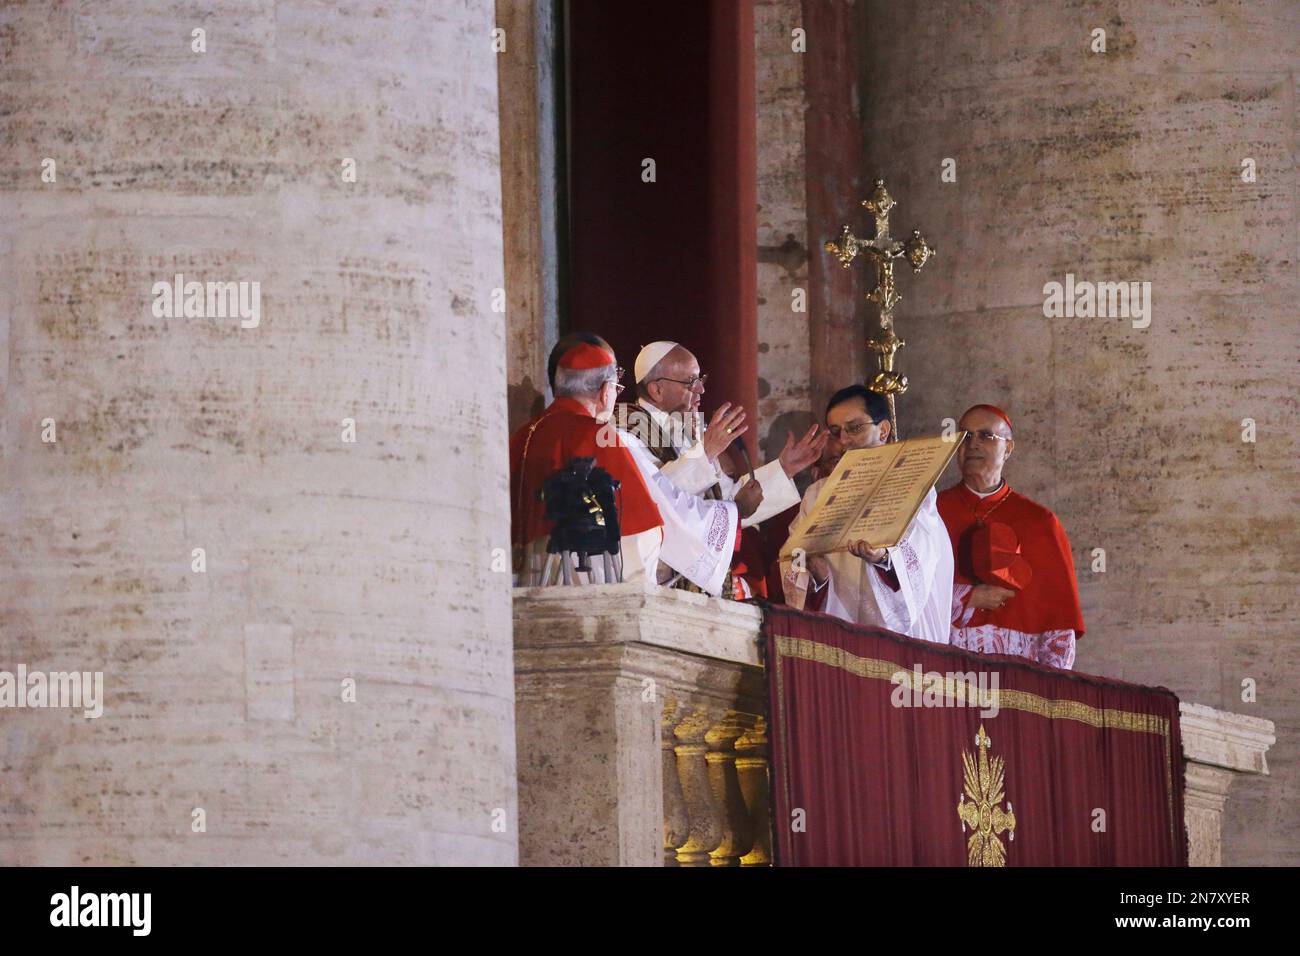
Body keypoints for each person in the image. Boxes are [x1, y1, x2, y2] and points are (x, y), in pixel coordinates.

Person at [511, 340, 741, 595]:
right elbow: (661, 508)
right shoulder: (604, 437)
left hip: (527, 585)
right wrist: (730, 515)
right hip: (591, 587)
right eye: (616, 385)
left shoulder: (520, 438)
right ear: (603, 391)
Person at [614, 340, 825, 595]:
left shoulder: (686, 430)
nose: (701, 389)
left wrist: (784, 470)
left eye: (700, 378)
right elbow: (651, 499)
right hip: (655, 580)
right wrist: (706, 453)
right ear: (657, 389)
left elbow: (728, 503)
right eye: (690, 382)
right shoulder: (624, 432)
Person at [782, 385, 953, 643]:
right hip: (840, 632)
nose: (844, 441)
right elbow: (792, 554)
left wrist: (884, 558)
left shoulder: (912, 483)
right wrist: (815, 574)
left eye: (855, 428)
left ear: (883, 430)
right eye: (837, 432)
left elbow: (923, 552)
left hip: (903, 640)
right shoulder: (817, 494)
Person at [937, 404, 1084, 669]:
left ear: (1008, 448)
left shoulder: (1040, 522)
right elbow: (904, 598)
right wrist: (965, 597)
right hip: (944, 673)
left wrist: (1049, 691)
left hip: (1020, 678)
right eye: (965, 437)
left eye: (986, 436)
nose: (973, 445)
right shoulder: (931, 515)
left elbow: (1059, 625)